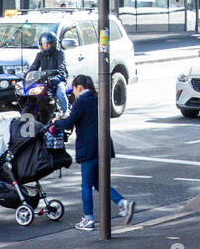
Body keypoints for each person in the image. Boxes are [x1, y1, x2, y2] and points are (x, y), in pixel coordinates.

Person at [48, 74, 133, 230]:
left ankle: (88, 219)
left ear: (79, 87)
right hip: (104, 146)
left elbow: (69, 123)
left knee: (86, 185)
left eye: (73, 89)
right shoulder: (97, 99)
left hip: (89, 148)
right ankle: (123, 203)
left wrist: (56, 122)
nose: (73, 93)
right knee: (99, 183)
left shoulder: (81, 101)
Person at [26, 30, 69, 116]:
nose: (46, 46)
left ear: (53, 44)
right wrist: (26, 76)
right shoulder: (40, 55)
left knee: (60, 92)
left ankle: (65, 112)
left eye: (48, 43)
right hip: (44, 80)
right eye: (44, 44)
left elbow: (62, 67)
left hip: (58, 79)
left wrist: (57, 77)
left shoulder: (59, 53)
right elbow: (33, 68)